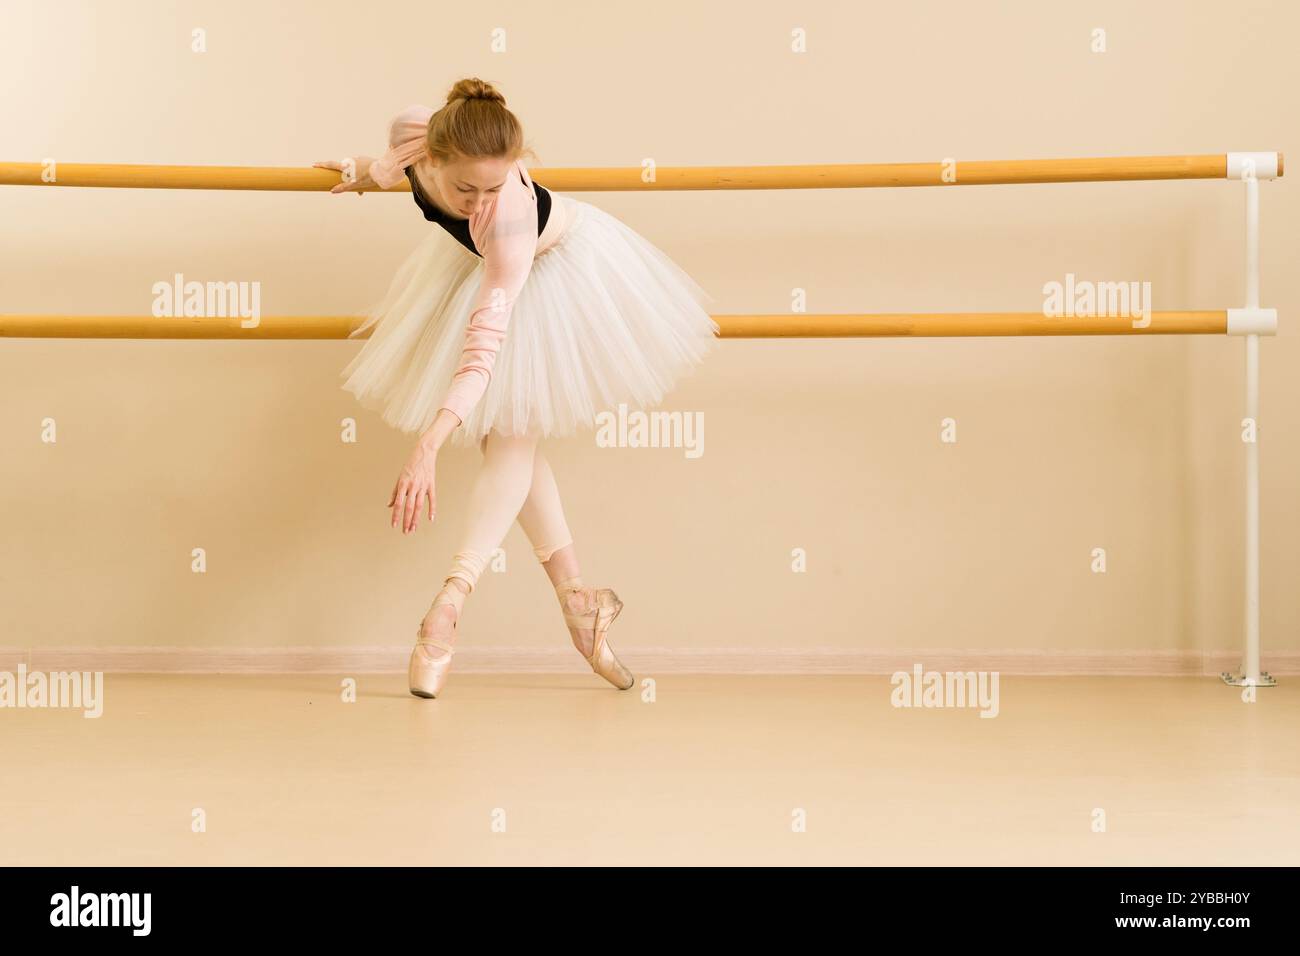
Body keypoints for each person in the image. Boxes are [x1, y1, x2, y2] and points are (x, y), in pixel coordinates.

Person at [316, 77, 720, 698]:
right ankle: (579, 603)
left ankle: (448, 605)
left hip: (553, 273)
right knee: (516, 447)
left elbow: (481, 354)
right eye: (465, 188)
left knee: (509, 440)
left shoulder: (505, 223)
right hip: (471, 270)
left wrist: (429, 442)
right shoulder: (418, 133)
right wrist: (362, 171)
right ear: (436, 156)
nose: (479, 200)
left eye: (496, 186)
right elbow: (393, 165)